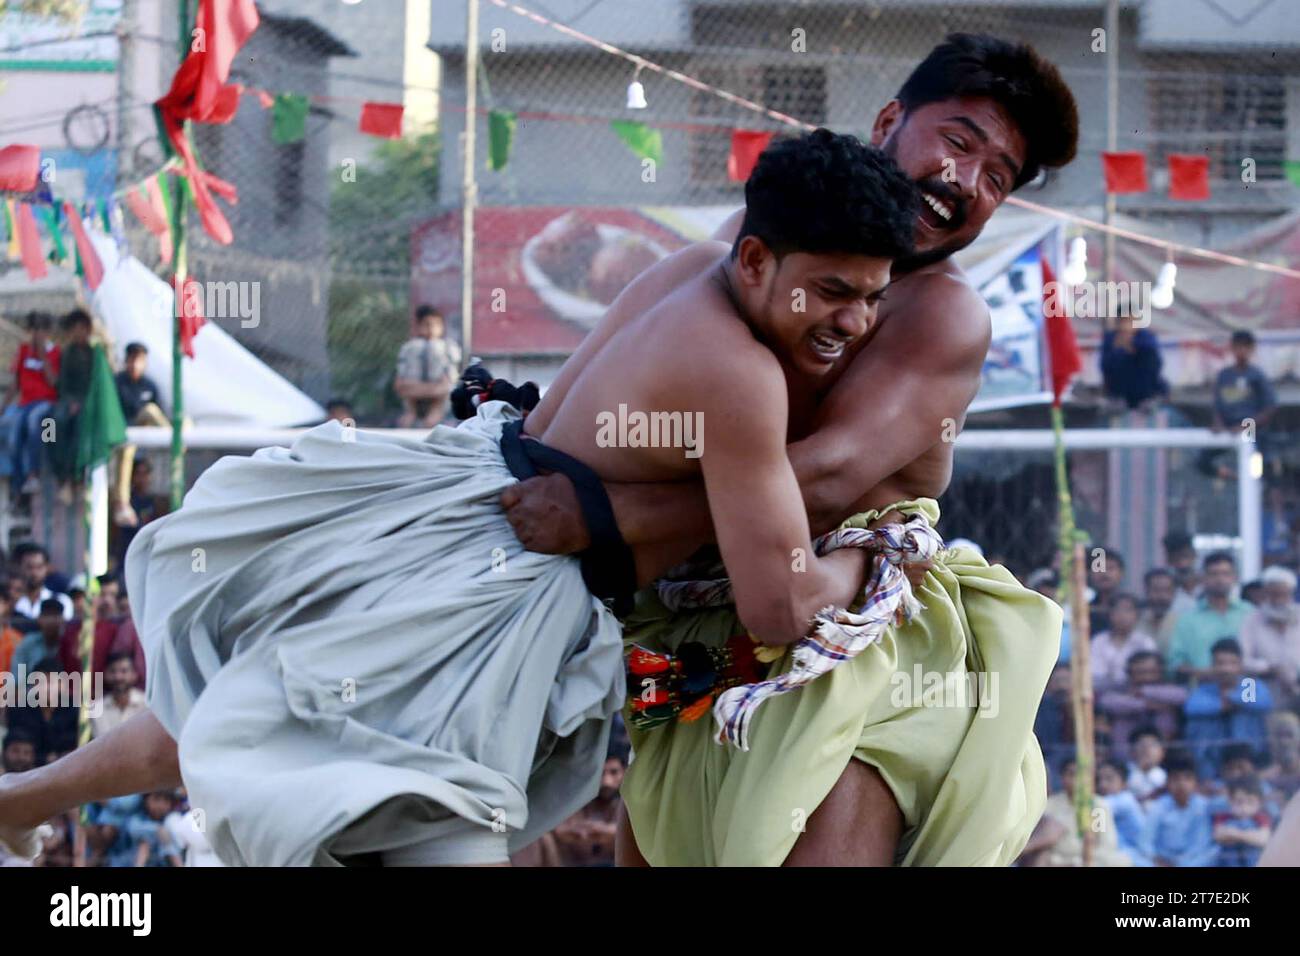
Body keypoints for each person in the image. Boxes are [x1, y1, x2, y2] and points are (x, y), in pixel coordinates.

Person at [0, 129, 922, 867]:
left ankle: (16, 804)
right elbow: (781, 603)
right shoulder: (740, 375)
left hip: (457, 510)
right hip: (491, 598)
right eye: (832, 292)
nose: (854, 322)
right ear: (757, 259)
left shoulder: (690, 270)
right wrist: (879, 556)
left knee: (255, 700)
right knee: (416, 808)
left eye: (873, 299)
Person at [503, 33, 1079, 868]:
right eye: (958, 142)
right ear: (890, 120)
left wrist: (610, 515)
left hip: (859, 636)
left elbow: (829, 472)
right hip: (698, 631)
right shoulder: (756, 243)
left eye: (998, 177)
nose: (966, 183)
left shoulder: (945, 314)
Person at [1183, 638, 1273, 779]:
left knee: (1245, 713)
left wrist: (1231, 697)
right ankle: (1208, 777)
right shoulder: (1205, 688)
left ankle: (1246, 770)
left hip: (1249, 752)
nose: (1226, 669)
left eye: (1232, 663)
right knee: (1199, 723)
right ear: (1212, 665)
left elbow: (1264, 703)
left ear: (1240, 665)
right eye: (1220, 663)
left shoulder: (1248, 683)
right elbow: (1191, 708)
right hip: (1215, 753)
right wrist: (1222, 705)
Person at [1032, 755, 1131, 867]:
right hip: (1057, 860)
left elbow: (1106, 846)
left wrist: (1076, 862)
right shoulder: (1050, 805)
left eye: (1081, 775)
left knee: (1120, 860)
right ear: (1062, 777)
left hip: (1090, 860)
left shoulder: (1097, 806)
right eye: (1071, 774)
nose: (1076, 779)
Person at [1, 312, 61, 496]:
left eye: (40, 330)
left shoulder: (55, 352)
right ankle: (17, 483)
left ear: (48, 332)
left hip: (46, 403)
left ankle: (34, 474)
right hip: (24, 403)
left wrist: (43, 357)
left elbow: (54, 383)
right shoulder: (24, 350)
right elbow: (16, 382)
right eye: (33, 330)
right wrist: (3, 406)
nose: (36, 335)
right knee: (12, 434)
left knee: (37, 425)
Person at [1167, 552, 1250, 683]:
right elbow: (1175, 664)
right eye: (1213, 574)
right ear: (1203, 578)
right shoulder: (1188, 619)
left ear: (1235, 577)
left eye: (1225, 574)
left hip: (1247, 685)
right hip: (1204, 689)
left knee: (1251, 703)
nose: (1220, 579)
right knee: (1204, 704)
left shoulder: (1250, 614)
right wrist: (1205, 673)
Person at [112, 342, 169, 529]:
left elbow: (156, 411)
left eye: (140, 360)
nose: (135, 364)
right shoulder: (117, 383)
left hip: (146, 431)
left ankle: (176, 441)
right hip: (125, 433)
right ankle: (122, 503)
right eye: (132, 360)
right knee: (127, 447)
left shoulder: (149, 385)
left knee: (151, 411)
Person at [1097, 652, 1187, 761]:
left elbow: (1181, 696)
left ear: (1160, 671)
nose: (1146, 676)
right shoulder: (1122, 687)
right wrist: (1144, 705)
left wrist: (1144, 691)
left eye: (1151, 671)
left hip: (1166, 748)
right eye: (1140, 672)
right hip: (1126, 750)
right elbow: (1106, 701)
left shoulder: (1168, 687)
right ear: (1130, 673)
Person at [1237, 564, 1300, 711]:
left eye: (1283, 594)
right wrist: (1271, 667)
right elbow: (1243, 660)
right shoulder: (1251, 620)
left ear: (1291, 593)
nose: (1279, 600)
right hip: (1261, 689)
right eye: (1274, 594)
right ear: (1265, 593)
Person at [1136, 752, 1216, 867]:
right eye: (1175, 778)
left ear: (1195, 783)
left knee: (1213, 852)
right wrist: (1155, 858)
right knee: (1136, 859)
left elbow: (1201, 844)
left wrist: (1180, 864)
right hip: (1162, 860)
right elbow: (1145, 841)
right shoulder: (1159, 806)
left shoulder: (1202, 806)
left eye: (1187, 778)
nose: (1181, 784)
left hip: (1192, 860)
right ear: (1167, 783)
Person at [48, 309, 95, 493]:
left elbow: (93, 384)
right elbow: (63, 384)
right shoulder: (67, 353)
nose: (78, 332)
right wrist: (69, 401)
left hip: (86, 404)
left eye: (82, 328)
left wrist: (80, 403)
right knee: (49, 423)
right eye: (75, 328)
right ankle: (57, 470)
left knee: (78, 428)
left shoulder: (94, 354)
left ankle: (72, 474)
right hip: (67, 401)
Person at [395, 305, 462, 428]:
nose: (432, 328)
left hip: (439, 401)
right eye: (427, 324)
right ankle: (412, 413)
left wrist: (418, 389)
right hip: (413, 399)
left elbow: (448, 384)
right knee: (406, 422)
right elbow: (400, 385)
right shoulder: (409, 348)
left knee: (433, 419)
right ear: (419, 326)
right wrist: (431, 389)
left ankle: (434, 414)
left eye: (436, 324)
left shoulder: (448, 347)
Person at [4, 656, 78, 765]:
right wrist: (44, 759)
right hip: (28, 769)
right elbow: (15, 745)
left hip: (67, 767)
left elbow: (77, 743)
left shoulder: (75, 710)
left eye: (52, 682)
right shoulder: (18, 709)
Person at [1099, 308, 1167, 411]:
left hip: (1147, 396)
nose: (1127, 325)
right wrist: (1119, 349)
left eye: (1130, 320)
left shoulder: (1146, 337)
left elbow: (1154, 364)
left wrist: (1132, 345)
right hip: (1119, 398)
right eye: (1124, 320)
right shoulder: (1111, 339)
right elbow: (1105, 366)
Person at [1212, 330, 1276, 435]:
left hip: (1252, 432)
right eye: (1238, 346)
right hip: (1228, 432)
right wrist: (1218, 424)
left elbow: (1269, 408)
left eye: (1246, 347)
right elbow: (1217, 406)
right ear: (1232, 348)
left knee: (1250, 449)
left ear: (1252, 349)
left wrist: (1245, 426)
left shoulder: (1257, 375)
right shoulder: (1223, 376)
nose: (1242, 350)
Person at [1089, 593, 1156, 693]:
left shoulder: (1145, 642)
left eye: (1128, 610)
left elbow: (1152, 675)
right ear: (1109, 614)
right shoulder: (1098, 642)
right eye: (1117, 610)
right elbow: (1096, 676)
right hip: (1107, 694)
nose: (1122, 615)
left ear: (1137, 615)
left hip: (1141, 692)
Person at [1211, 776, 1272, 867]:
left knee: (1246, 824)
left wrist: (1235, 834)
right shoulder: (1224, 816)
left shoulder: (1261, 817)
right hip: (1229, 860)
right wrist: (1249, 836)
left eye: (1250, 802)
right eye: (1239, 802)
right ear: (1230, 801)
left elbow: (1263, 839)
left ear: (1259, 803)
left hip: (1252, 859)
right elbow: (1218, 835)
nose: (1244, 808)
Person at [1096, 757, 1146, 861]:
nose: (1102, 784)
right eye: (1099, 780)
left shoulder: (1125, 800)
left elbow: (1096, 811)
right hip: (1119, 854)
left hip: (1135, 855)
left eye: (1109, 779)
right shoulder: (1103, 801)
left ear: (1124, 783)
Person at [90, 652, 147, 739]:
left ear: (134, 675)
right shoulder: (96, 709)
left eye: (124, 671)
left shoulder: (147, 705)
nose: (118, 677)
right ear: (105, 675)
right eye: (113, 671)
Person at [10, 600, 71, 678]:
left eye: (55, 615)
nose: (51, 621)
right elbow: (16, 681)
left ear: (63, 619)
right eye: (47, 615)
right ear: (39, 618)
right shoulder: (27, 644)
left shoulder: (70, 644)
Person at [12, 545, 73, 624]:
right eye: (29, 567)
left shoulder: (62, 600)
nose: (34, 573)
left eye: (39, 567)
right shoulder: (11, 603)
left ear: (47, 568)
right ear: (20, 568)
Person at [1137, 568, 1182, 659]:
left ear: (1174, 594)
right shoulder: (1134, 622)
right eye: (1156, 590)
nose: (1162, 596)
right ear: (1146, 591)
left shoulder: (1182, 623)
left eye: (1167, 591)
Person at [1260, 711, 1300, 801]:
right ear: (1270, 741)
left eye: (1289, 735)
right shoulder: (1265, 778)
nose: (1284, 742)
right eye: (1279, 735)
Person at [1087, 548, 1126, 638]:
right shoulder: (1086, 610)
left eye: (1110, 568)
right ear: (1090, 573)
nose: (1104, 573)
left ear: (1121, 573)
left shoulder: (1132, 607)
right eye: (1098, 568)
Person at [1126, 727, 1168, 803]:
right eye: (1142, 745)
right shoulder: (1123, 774)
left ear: (1162, 752)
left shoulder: (1166, 777)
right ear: (1131, 750)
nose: (1147, 749)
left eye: (1152, 745)